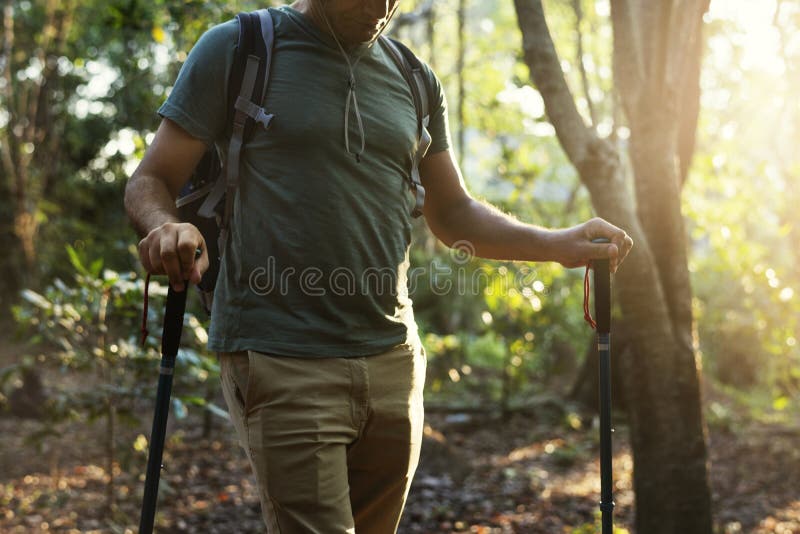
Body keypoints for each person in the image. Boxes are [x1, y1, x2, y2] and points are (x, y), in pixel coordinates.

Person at [124, 0, 633, 532]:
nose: (383, 6)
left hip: (393, 362)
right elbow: (150, 180)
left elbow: (453, 213)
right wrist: (165, 226)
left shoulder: (413, 77)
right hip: (281, 356)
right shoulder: (240, 48)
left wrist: (558, 244)